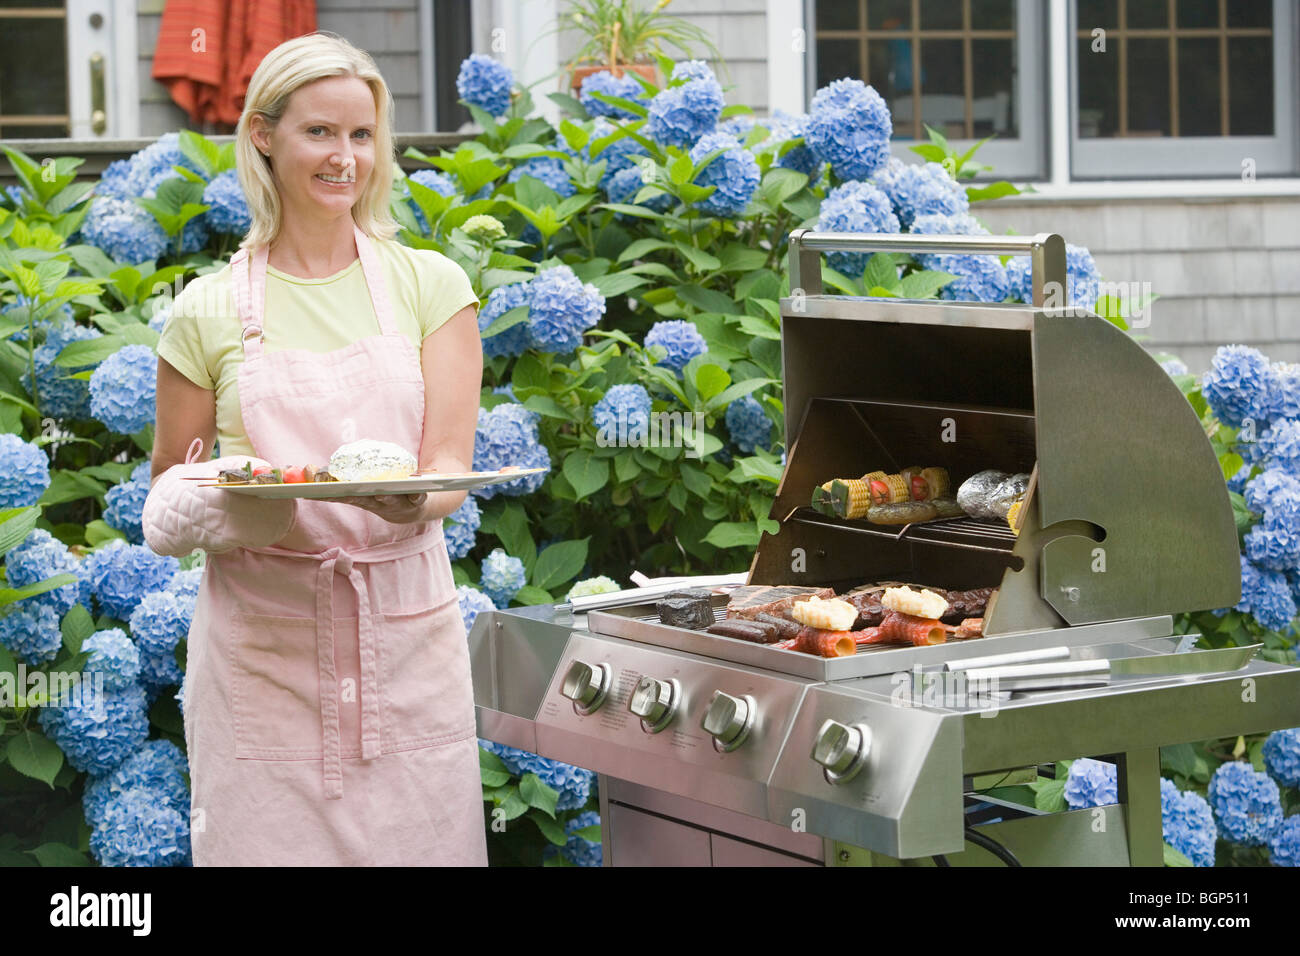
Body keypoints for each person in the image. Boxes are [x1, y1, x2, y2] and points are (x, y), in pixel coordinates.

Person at [142, 32, 488, 866]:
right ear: (263, 134)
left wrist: (418, 499)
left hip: (404, 635)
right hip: (266, 649)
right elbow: (170, 490)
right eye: (320, 134)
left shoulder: (429, 285)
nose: (346, 158)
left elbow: (448, 459)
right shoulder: (206, 310)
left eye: (361, 136)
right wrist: (250, 511)